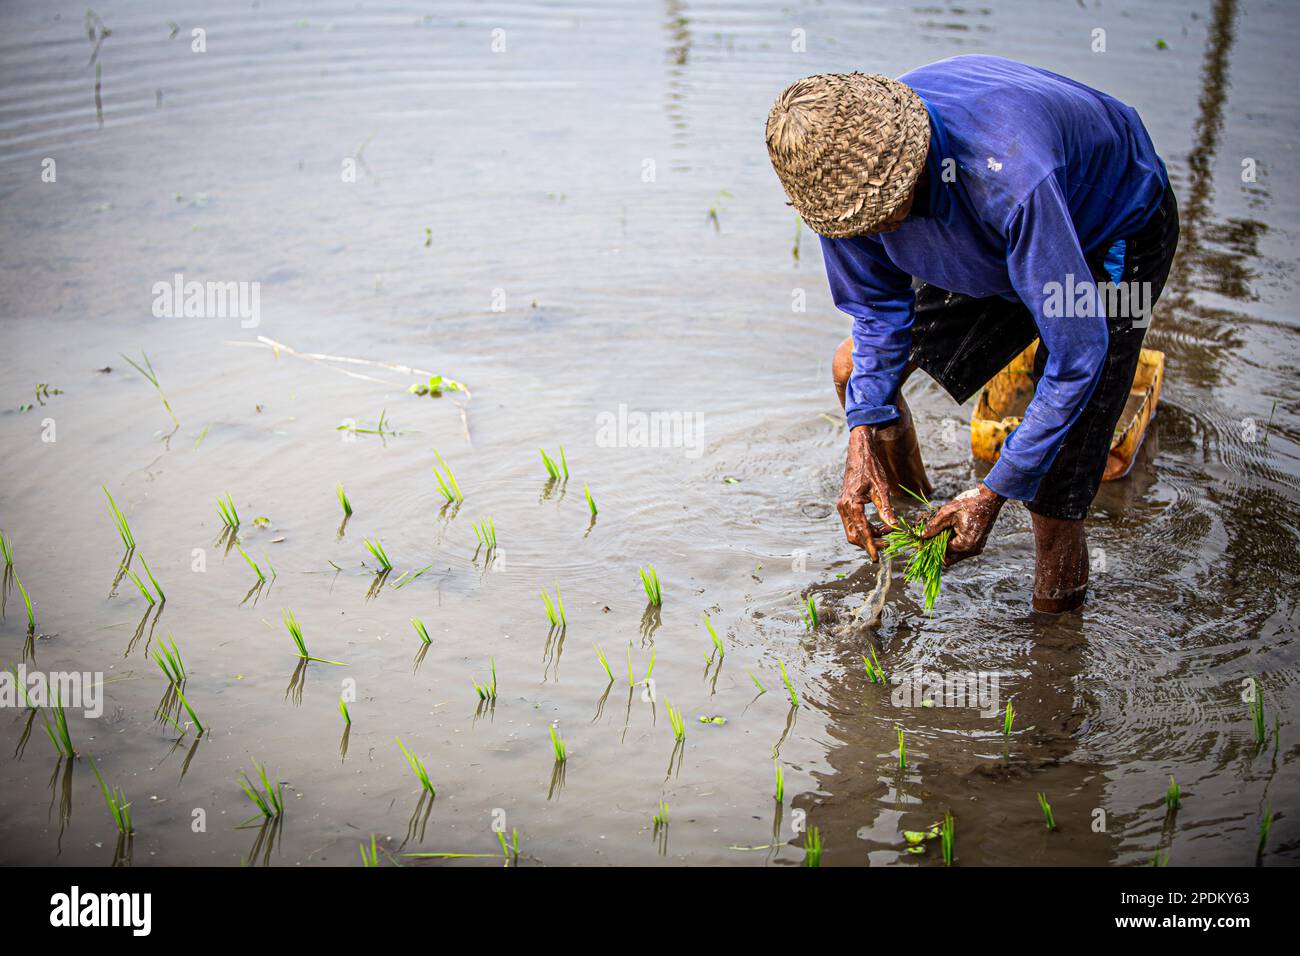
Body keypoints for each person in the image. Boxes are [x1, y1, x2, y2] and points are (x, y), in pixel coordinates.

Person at [765, 55, 1180, 612]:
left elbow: (1081, 353)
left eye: (888, 208)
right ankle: (916, 521)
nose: (878, 228)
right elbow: (877, 313)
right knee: (854, 373)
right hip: (985, 239)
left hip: (1104, 226)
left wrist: (993, 492)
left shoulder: (1009, 179)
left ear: (914, 164)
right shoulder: (843, 189)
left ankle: (1054, 652)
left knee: (1053, 493)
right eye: (865, 221)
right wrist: (861, 432)